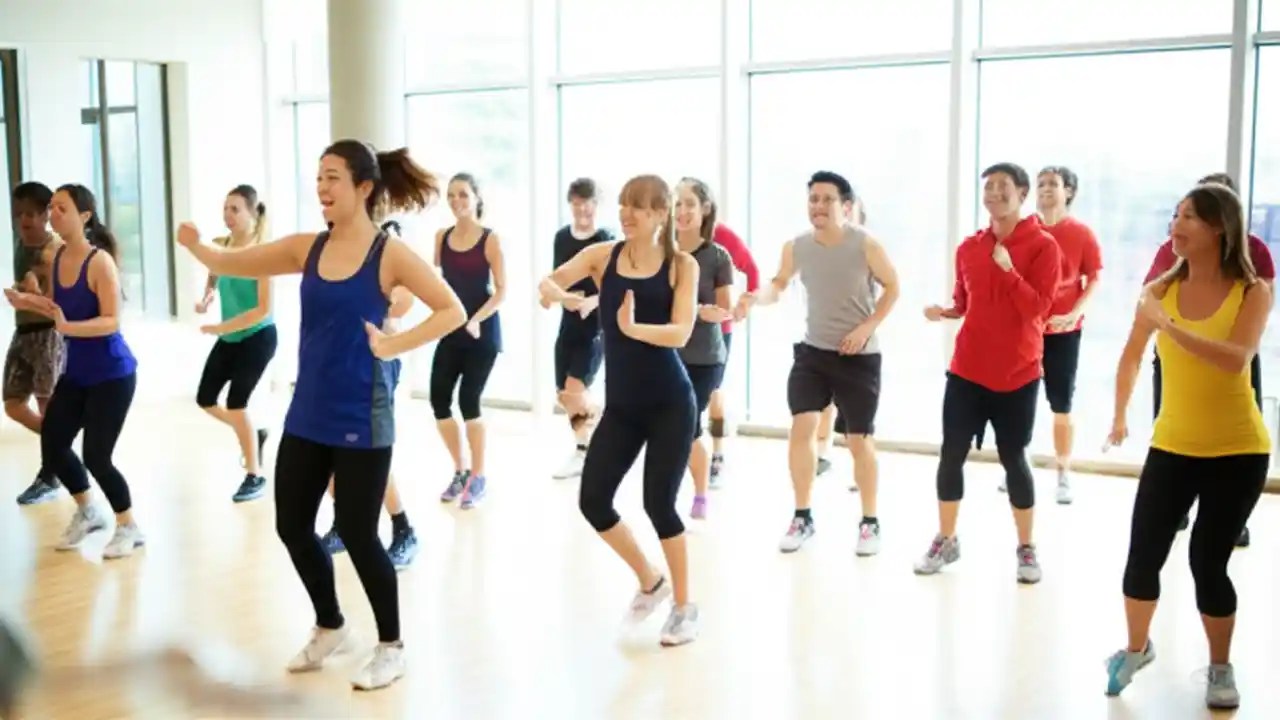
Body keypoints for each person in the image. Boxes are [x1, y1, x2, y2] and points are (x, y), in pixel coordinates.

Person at [175, 139, 466, 691]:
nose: (322, 188)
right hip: (307, 412)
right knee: (291, 526)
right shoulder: (307, 248)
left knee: (359, 532)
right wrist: (197, 248)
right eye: (318, 178)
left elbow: (451, 309)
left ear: (363, 187)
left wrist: (392, 348)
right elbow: (230, 259)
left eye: (333, 177)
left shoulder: (390, 255)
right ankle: (331, 623)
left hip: (363, 413)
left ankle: (391, 645)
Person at [1104, 182, 1268, 711]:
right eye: (1174, 215)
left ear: (1219, 227)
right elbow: (1131, 355)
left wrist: (1167, 326)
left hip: (1238, 452)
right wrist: (1119, 413)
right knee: (1142, 558)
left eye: (1189, 217)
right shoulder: (1158, 292)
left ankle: (1220, 667)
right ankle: (1135, 649)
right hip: (1172, 446)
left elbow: (1234, 358)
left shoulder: (1254, 290)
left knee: (1207, 561)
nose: (1176, 225)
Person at [538, 174, 699, 647]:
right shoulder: (602, 257)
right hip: (624, 405)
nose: (627, 214)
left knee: (659, 504)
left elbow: (681, 333)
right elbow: (550, 280)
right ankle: (651, 581)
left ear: (661, 215)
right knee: (593, 501)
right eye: (625, 205)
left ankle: (686, 607)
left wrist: (630, 327)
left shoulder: (680, 265)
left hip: (671, 401)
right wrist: (557, 294)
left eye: (641, 208)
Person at [736, 172, 899, 556]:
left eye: (827, 199)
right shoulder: (797, 247)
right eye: (813, 199)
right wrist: (753, 299)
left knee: (859, 441)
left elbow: (894, 287)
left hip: (858, 356)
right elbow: (777, 284)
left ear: (845, 206)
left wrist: (866, 328)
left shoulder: (866, 245)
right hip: (814, 353)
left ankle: (870, 521)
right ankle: (803, 516)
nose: (818, 206)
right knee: (802, 426)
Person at [915, 162, 1061, 583]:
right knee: (951, 454)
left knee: (1014, 458)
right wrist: (946, 311)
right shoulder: (969, 247)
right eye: (988, 187)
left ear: (1021, 194)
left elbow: (1040, 309)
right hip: (967, 369)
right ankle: (946, 539)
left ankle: (1026, 548)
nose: (993, 194)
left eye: (1002, 187)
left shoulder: (1043, 247)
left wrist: (1008, 271)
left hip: (1018, 372)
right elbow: (964, 302)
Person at [4, 184, 142, 559]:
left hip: (112, 375)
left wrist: (68, 328)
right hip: (78, 373)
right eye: (52, 207)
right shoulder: (61, 254)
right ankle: (88, 511)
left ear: (84, 216)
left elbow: (112, 321)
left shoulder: (99, 262)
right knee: (53, 442)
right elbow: (57, 307)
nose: (53, 214)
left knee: (97, 456)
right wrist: (27, 300)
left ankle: (129, 525)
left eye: (61, 208)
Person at [1145, 172, 1273, 547]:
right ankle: (1177, 507)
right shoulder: (1171, 252)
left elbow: (1259, 307)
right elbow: (1150, 302)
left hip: (1233, 355)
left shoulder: (1255, 252)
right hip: (1174, 362)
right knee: (1174, 429)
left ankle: (1231, 517)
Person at [999, 166, 1101, 504]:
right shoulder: (1023, 230)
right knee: (1016, 399)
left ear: (1068, 191)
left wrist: (1074, 313)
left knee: (1060, 404)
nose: (1045, 189)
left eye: (1052, 184)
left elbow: (1094, 278)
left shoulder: (1082, 234)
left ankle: (1063, 472)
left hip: (1063, 330)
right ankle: (1015, 466)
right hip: (1025, 328)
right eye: (1040, 183)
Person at [193, 185, 278, 503]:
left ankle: (254, 475)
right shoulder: (221, 246)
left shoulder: (263, 254)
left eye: (235, 209)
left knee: (237, 403)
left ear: (252, 214)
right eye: (225, 208)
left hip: (258, 337)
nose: (227, 215)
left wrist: (221, 325)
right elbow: (215, 273)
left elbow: (262, 309)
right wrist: (207, 297)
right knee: (205, 399)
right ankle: (252, 436)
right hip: (228, 336)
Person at [433, 172, 505, 510]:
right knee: (438, 400)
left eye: (462, 194)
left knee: (469, 400)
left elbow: (502, 290)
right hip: (450, 330)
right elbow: (436, 283)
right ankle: (460, 470)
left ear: (476, 197)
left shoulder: (490, 239)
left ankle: (479, 476)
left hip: (482, 332)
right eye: (451, 195)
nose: (456, 201)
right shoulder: (440, 237)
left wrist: (476, 319)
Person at [673, 177, 734, 518]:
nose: (681, 212)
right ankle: (672, 491)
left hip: (703, 358)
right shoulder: (661, 252)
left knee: (686, 422)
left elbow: (723, 309)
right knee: (675, 426)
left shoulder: (716, 256)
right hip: (666, 353)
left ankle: (699, 495)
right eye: (677, 204)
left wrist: (696, 312)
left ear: (705, 209)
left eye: (689, 204)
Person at [546, 177, 613, 480]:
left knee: (575, 389)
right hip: (568, 323)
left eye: (587, 203)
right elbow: (555, 279)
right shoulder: (562, 237)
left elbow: (616, 288)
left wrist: (591, 303)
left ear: (596, 205)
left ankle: (590, 445)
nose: (582, 209)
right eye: (576, 203)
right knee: (564, 394)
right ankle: (584, 447)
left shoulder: (606, 238)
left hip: (596, 327)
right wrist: (562, 298)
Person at [6, 182, 65, 506]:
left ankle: (52, 472)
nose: (24, 220)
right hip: (23, 332)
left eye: (30, 213)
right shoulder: (20, 244)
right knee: (13, 404)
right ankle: (62, 448)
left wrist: (32, 295)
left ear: (45, 214)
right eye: (19, 214)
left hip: (47, 333)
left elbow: (59, 303)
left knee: (48, 406)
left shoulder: (53, 250)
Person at [704, 220, 758, 487]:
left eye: (690, 205)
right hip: (683, 326)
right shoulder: (670, 237)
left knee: (714, 391)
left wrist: (744, 303)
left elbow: (751, 270)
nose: (683, 212)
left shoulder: (722, 237)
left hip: (717, 328)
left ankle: (717, 454)